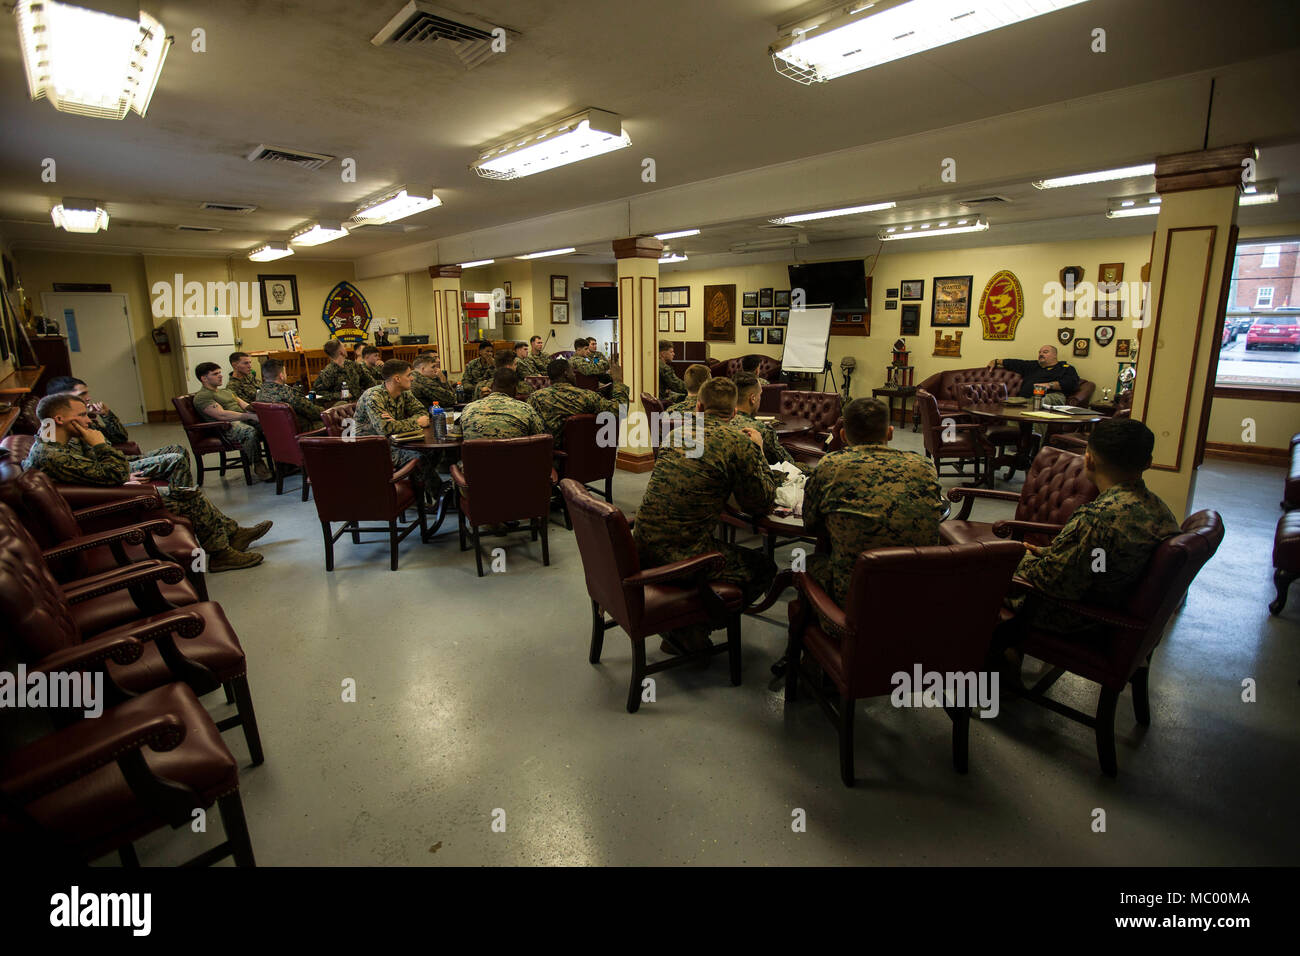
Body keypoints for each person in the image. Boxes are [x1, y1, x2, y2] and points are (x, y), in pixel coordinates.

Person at [24, 392, 270, 571]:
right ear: (59, 419)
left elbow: (103, 471)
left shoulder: (58, 442)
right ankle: (220, 553)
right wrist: (98, 444)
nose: (88, 420)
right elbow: (115, 473)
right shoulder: (52, 455)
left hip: (105, 492)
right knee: (188, 495)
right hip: (106, 507)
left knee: (186, 490)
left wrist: (98, 446)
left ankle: (232, 534)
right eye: (81, 416)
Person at [1001, 417, 1181, 643]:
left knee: (971, 579)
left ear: (1090, 460)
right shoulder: (1160, 510)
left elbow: (1052, 582)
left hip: (1079, 618)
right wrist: (1045, 553)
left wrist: (1016, 558)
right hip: (1116, 610)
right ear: (1148, 463)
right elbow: (1099, 562)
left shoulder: (1097, 518)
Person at [633, 378, 778, 654]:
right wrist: (758, 449)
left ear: (698, 407)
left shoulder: (674, 436)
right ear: (734, 412)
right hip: (684, 557)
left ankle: (684, 625)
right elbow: (761, 503)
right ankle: (693, 628)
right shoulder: (738, 443)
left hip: (641, 547)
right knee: (764, 568)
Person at [801, 397, 946, 606]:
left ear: (843, 435)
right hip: (920, 597)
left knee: (806, 563)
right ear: (890, 432)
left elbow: (811, 524)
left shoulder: (831, 465)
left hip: (856, 602)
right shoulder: (923, 466)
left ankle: (805, 634)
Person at [44, 376, 193, 484]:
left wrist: (107, 415)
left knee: (178, 449)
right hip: (114, 468)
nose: (88, 398)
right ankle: (182, 498)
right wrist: (122, 477)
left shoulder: (83, 419)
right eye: (82, 395)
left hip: (118, 460)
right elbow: (88, 470)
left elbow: (120, 437)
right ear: (61, 400)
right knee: (175, 460)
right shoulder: (67, 429)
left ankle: (181, 491)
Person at [355, 359, 441, 502]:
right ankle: (441, 496)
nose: (412, 378)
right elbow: (385, 428)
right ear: (397, 378)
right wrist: (415, 422)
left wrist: (399, 423)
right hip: (373, 448)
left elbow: (422, 413)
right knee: (418, 458)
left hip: (396, 440)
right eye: (408, 375)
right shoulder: (374, 396)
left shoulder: (404, 393)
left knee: (436, 450)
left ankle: (418, 489)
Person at [192, 362, 271, 481]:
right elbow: (221, 415)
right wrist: (249, 417)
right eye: (215, 374)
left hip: (242, 418)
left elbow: (246, 406)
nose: (220, 376)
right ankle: (258, 464)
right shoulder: (202, 396)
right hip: (225, 426)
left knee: (273, 424)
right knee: (248, 431)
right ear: (203, 378)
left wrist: (265, 411)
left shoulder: (226, 391)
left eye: (219, 372)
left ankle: (283, 460)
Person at [528, 358, 630, 448]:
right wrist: (618, 381)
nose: (574, 374)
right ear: (566, 374)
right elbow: (620, 410)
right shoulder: (586, 397)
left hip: (546, 455)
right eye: (572, 371)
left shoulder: (535, 398)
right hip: (585, 453)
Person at [732, 371, 808, 474]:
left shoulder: (719, 422)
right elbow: (788, 463)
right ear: (753, 398)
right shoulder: (761, 430)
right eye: (760, 395)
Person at [459, 368, 548, 440]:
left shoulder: (468, 409)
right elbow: (542, 437)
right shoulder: (526, 410)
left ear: (492, 385)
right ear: (515, 389)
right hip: (515, 461)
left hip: (476, 461)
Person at [987, 344, 1080, 404]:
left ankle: (1036, 435)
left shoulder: (1065, 368)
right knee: (1010, 403)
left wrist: (1049, 385)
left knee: (1040, 401)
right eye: (1040, 352)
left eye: (1045, 352)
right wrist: (996, 361)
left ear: (1055, 355)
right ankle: (1014, 433)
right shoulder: (1034, 366)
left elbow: (1072, 383)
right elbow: (1015, 363)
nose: (1041, 354)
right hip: (1027, 399)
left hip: (1051, 397)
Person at [255, 358, 324, 432]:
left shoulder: (259, 394)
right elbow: (313, 412)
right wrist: (326, 410)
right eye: (285, 372)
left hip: (276, 435)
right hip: (302, 432)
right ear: (281, 376)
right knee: (333, 422)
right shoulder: (289, 394)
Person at [312, 339, 367, 405]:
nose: (345, 348)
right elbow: (316, 394)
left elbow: (367, 380)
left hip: (360, 402)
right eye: (343, 346)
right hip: (342, 407)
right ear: (341, 352)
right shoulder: (328, 372)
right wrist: (339, 395)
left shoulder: (352, 365)